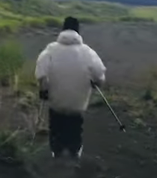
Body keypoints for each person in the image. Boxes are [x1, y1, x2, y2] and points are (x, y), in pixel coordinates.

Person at [34, 16, 107, 160]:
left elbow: (41, 73)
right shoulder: (88, 52)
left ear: (62, 29)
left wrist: (43, 89)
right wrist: (97, 83)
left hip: (56, 101)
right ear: (78, 31)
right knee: (75, 125)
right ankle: (74, 152)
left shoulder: (50, 49)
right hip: (78, 103)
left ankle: (57, 150)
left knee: (56, 124)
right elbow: (99, 75)